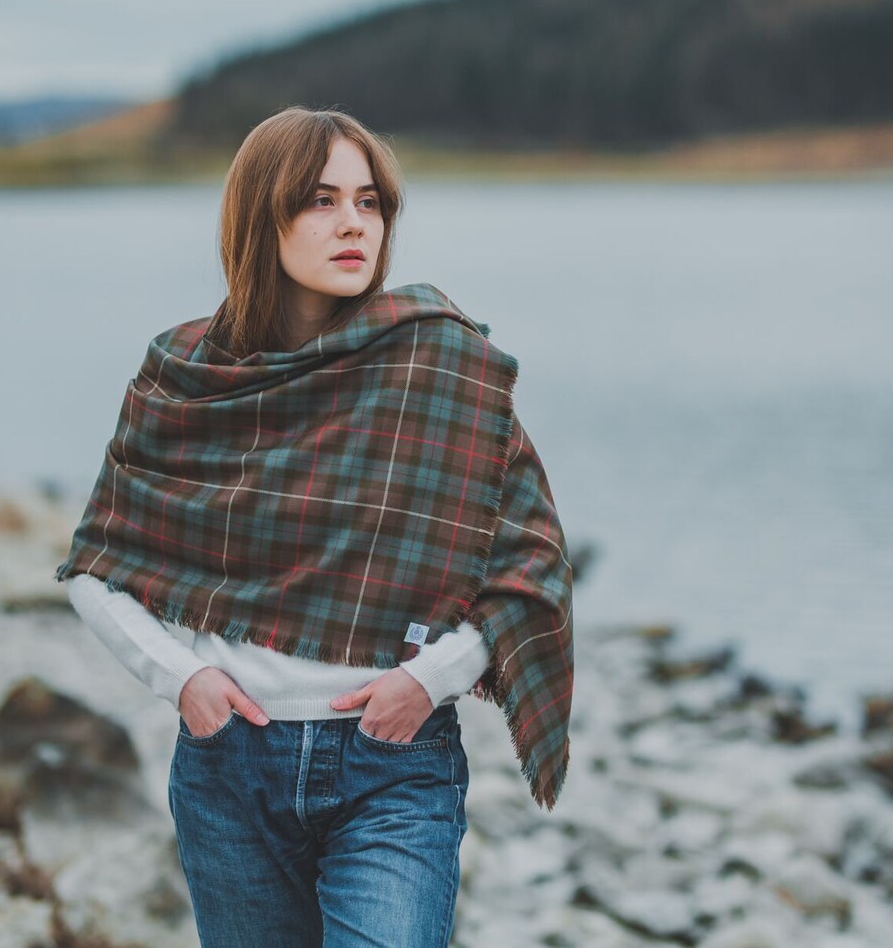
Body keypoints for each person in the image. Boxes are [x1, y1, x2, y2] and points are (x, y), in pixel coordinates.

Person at [54, 106, 574, 948]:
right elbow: (94, 567)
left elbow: (530, 569)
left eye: (369, 203)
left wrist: (433, 676)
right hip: (230, 769)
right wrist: (182, 680)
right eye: (321, 200)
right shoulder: (186, 376)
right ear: (263, 217)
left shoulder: (437, 364)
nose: (352, 225)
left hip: (394, 766)